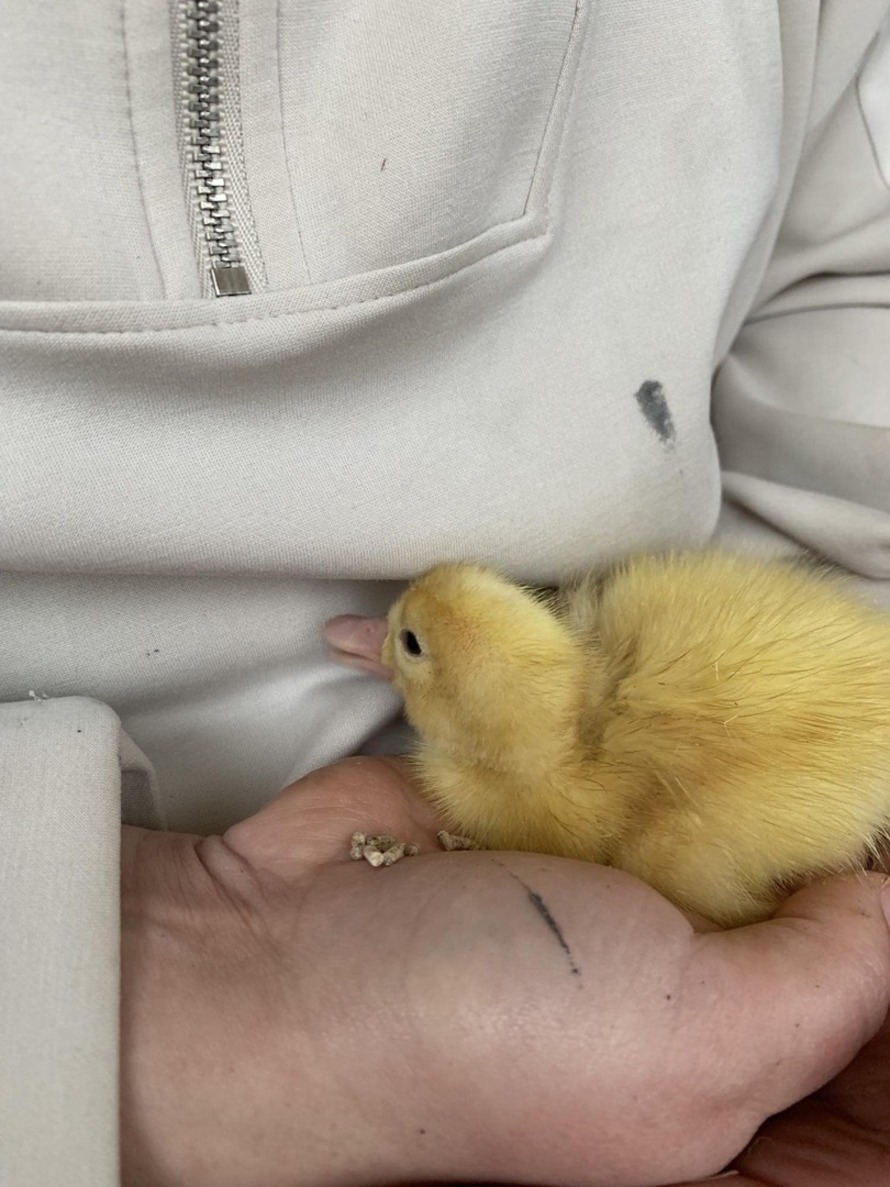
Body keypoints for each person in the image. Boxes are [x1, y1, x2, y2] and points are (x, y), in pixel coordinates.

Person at [2, 2, 890, 1184]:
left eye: (392, 640)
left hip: (645, 1005)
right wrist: (147, 1013)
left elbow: (851, 271)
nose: (359, 639)